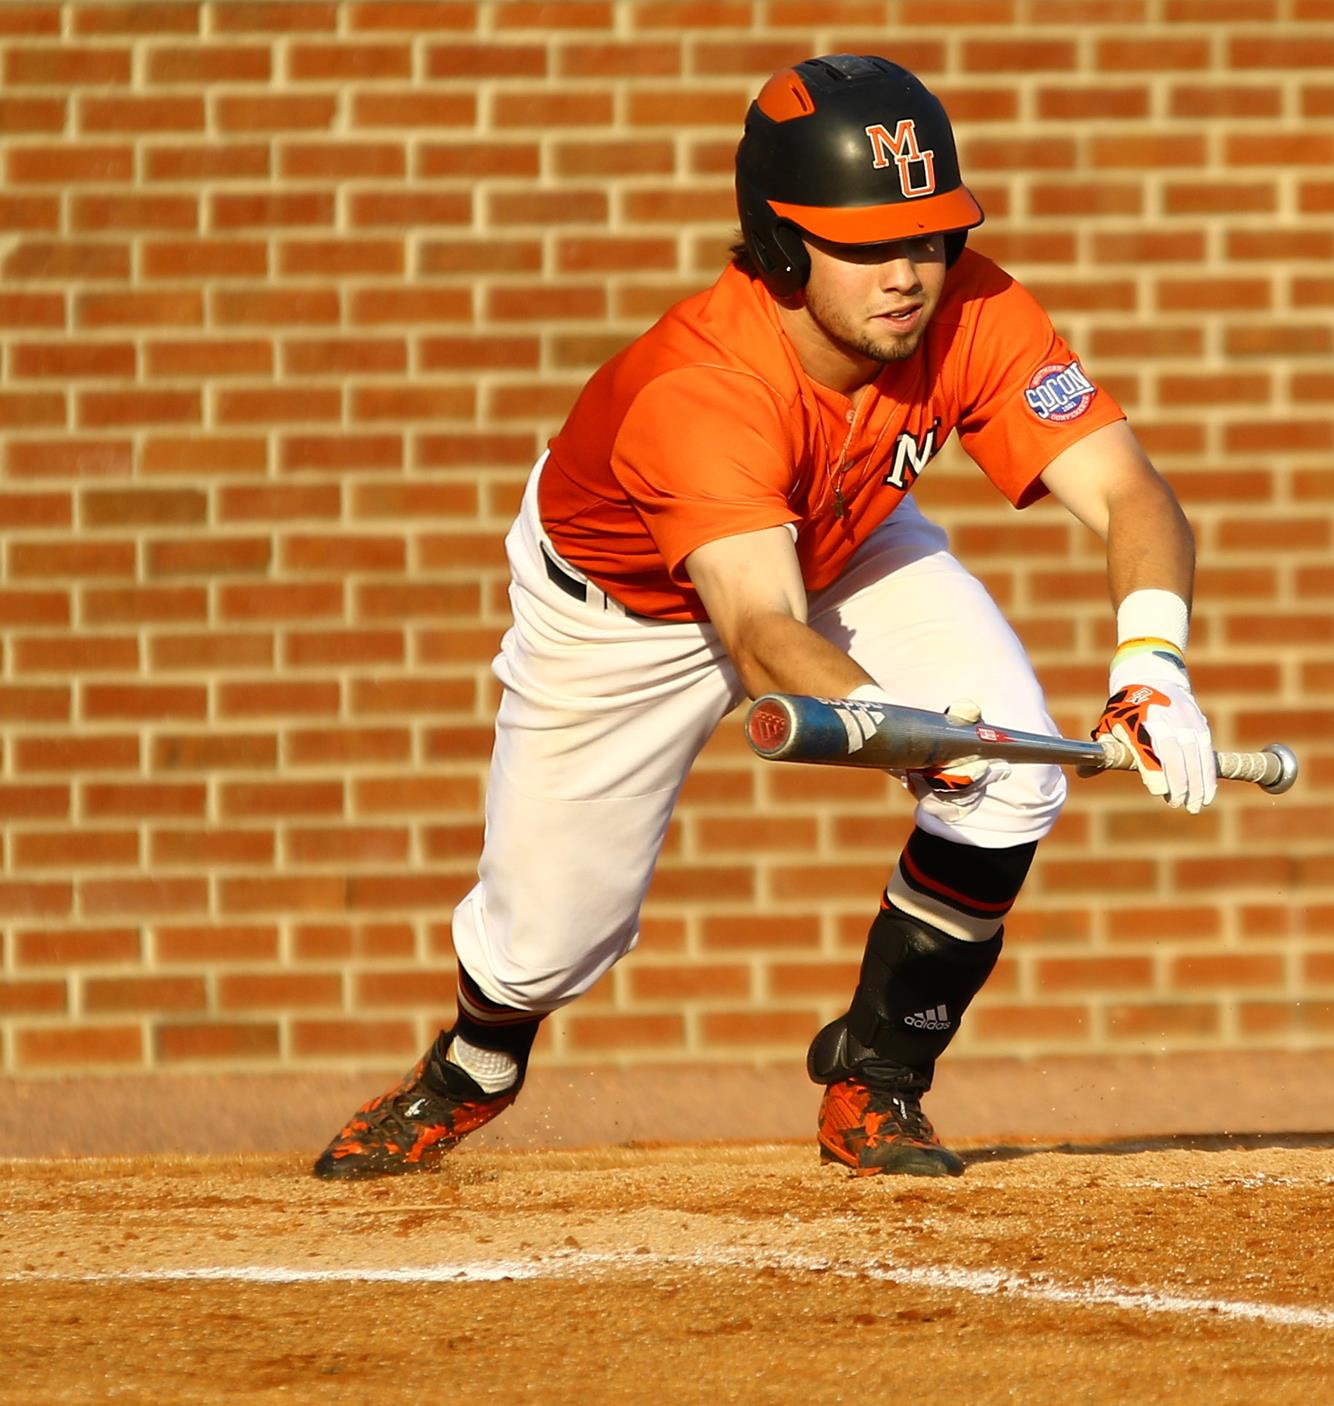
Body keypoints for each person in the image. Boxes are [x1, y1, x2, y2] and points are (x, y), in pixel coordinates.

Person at [311, 53, 1216, 1180]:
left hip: (843, 537)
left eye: (929, 235)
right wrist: (905, 727)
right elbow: (757, 635)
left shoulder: (975, 305)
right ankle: (474, 1064)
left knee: (1013, 767)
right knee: (547, 944)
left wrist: (1153, 661)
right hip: (630, 609)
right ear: (781, 243)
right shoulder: (698, 389)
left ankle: (877, 1078)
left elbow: (1132, 491)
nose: (911, 274)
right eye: (868, 242)